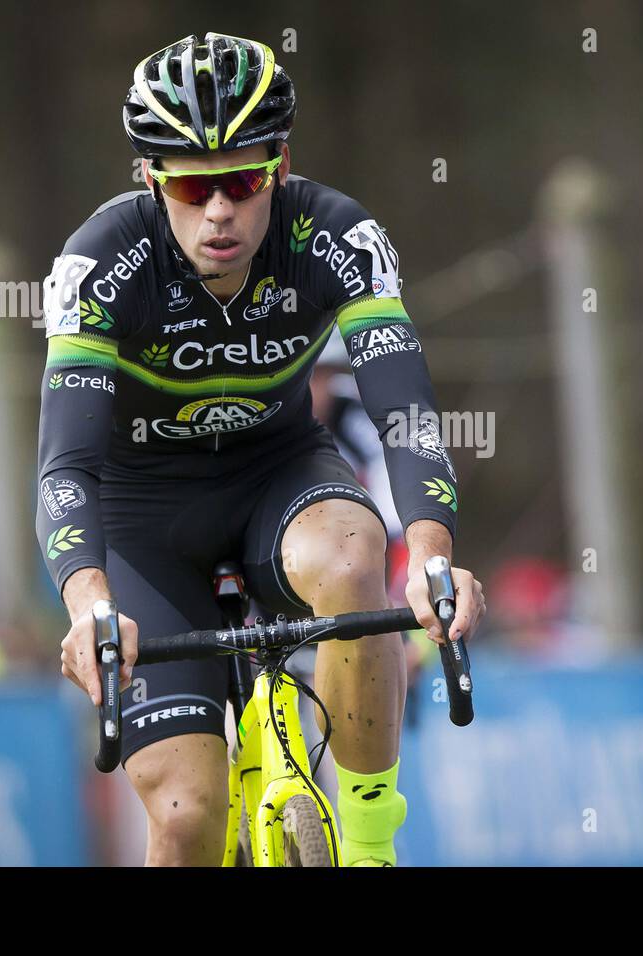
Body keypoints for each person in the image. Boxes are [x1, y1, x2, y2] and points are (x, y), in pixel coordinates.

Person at [36, 33, 485, 866]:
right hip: (144, 520)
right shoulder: (99, 264)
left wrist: (432, 555)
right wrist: (88, 603)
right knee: (184, 819)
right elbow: (66, 467)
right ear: (149, 178)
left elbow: (409, 420)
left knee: (354, 562)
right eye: (192, 186)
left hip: (279, 474)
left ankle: (371, 843)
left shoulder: (337, 236)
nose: (219, 212)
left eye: (242, 181)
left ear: (281, 164)